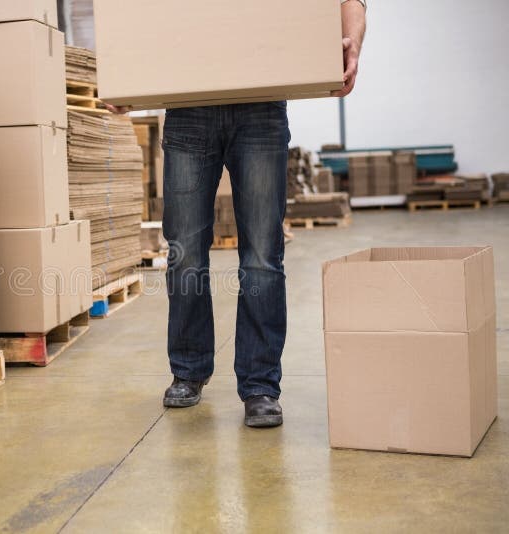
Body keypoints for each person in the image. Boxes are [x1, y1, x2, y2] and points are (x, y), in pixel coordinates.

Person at [108, 0, 367, 427]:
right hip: (188, 109)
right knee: (185, 250)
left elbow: (348, 1)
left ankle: (261, 384)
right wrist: (125, 76)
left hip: (261, 109)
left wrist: (351, 43)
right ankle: (188, 371)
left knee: (263, 255)